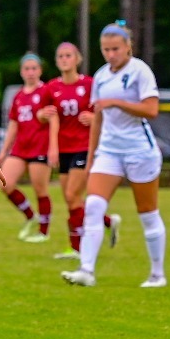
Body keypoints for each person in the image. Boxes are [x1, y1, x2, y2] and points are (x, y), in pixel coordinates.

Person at [61, 21, 166, 289]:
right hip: (109, 150)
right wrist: (92, 155)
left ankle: (157, 274)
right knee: (94, 206)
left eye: (115, 49)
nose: (110, 54)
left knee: (147, 212)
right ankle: (86, 270)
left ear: (128, 46)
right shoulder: (101, 76)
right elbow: (97, 119)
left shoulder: (140, 71)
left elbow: (151, 110)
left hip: (139, 150)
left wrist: (116, 102)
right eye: (106, 49)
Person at [46, 41, 114, 261]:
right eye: (61, 56)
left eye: (69, 55)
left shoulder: (90, 84)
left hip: (84, 147)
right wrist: (52, 144)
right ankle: (107, 222)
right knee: (71, 200)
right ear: (57, 61)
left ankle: (78, 248)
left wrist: (94, 118)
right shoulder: (52, 88)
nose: (65, 59)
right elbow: (45, 116)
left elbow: (106, 115)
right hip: (64, 148)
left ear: (77, 59)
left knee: (71, 195)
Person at [0, 52, 53, 241]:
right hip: (21, 148)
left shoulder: (46, 92)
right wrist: (4, 151)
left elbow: (54, 117)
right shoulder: (19, 96)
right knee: (6, 183)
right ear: (22, 72)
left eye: (34, 68)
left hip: (40, 146)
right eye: (27, 69)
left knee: (40, 189)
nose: (30, 72)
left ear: (40, 70)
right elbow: (13, 124)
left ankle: (43, 232)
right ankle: (30, 215)